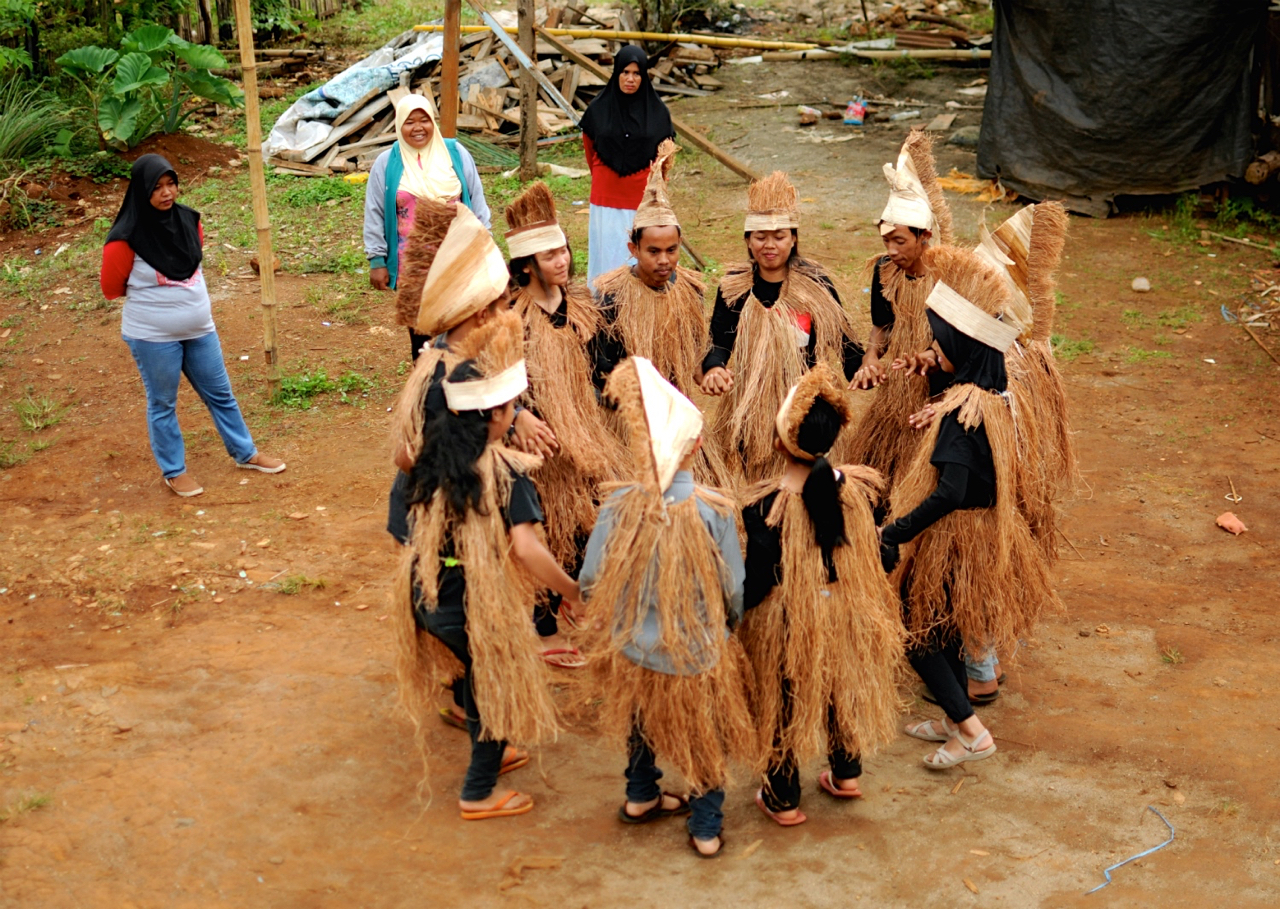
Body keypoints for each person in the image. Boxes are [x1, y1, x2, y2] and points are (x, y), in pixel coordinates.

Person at [391, 308, 583, 821]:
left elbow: (402, 473)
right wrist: (571, 591)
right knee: (494, 684)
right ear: (494, 415)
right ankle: (478, 792)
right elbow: (526, 548)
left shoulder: (431, 457)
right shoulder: (505, 471)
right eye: (512, 407)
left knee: (476, 674)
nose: (515, 414)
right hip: (468, 601)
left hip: (424, 593)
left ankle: (488, 746)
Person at [579, 357, 754, 858]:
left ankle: (641, 795)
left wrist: (606, 615)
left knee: (640, 719)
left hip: (635, 647)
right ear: (695, 446)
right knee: (705, 734)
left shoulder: (617, 506)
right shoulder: (714, 510)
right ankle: (705, 826)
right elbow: (734, 586)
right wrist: (730, 626)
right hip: (698, 652)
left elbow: (590, 578)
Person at [879, 282, 1057, 769]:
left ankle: (972, 733)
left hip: (960, 537)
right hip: (987, 531)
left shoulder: (962, 415)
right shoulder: (998, 397)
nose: (934, 350)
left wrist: (895, 531)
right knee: (950, 628)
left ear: (964, 346)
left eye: (941, 342)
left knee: (917, 629)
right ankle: (953, 720)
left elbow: (951, 492)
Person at [385, 198, 529, 730]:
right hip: (434, 515)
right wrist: (467, 465)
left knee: (462, 606)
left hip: (441, 509)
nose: (508, 314)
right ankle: (476, 717)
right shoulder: (445, 375)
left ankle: (467, 696)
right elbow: (406, 455)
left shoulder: (448, 357)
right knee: (466, 611)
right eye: (501, 305)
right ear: (478, 314)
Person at [741, 364, 903, 826]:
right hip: (843, 609)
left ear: (780, 443)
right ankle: (846, 774)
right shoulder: (855, 491)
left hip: (787, 621)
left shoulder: (764, 507)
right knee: (840, 687)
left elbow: (758, 580)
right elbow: (881, 553)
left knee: (782, 701)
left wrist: (735, 613)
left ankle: (783, 798)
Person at [100, 154, 285, 498]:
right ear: (141, 191)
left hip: (200, 329)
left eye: (171, 184)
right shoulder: (123, 239)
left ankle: (246, 452)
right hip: (153, 336)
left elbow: (193, 261)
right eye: (157, 187)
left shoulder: (189, 220)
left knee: (221, 394)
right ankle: (174, 471)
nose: (167, 193)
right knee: (163, 403)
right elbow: (111, 288)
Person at [504, 181, 628, 667]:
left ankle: (574, 598)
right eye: (549, 255)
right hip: (537, 444)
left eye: (564, 251)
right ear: (526, 266)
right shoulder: (510, 318)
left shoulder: (584, 307)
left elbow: (607, 365)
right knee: (544, 523)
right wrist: (519, 415)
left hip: (586, 436)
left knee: (587, 518)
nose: (562, 261)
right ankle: (542, 612)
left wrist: (619, 393)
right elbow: (497, 379)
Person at [700, 171, 864, 483]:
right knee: (762, 483)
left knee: (807, 486)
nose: (769, 245)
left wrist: (863, 370)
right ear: (748, 240)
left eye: (779, 236)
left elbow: (847, 346)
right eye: (760, 237)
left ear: (794, 238)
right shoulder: (735, 287)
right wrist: (714, 368)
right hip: (754, 407)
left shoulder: (816, 284)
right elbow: (719, 343)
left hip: (805, 405)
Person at [363, 93, 491, 359]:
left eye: (424, 120)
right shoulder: (387, 162)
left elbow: (477, 200)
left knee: (462, 329)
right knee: (422, 337)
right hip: (413, 265)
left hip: (457, 257)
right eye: (409, 122)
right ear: (399, 125)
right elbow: (374, 211)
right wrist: (377, 259)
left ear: (433, 122)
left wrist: (486, 247)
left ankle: (458, 379)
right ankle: (425, 381)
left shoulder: (455, 154)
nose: (418, 128)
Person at [580, 45, 675, 289]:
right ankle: (604, 301)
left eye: (636, 73)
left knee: (639, 254)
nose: (630, 79)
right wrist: (605, 176)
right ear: (616, 73)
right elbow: (590, 149)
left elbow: (664, 157)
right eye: (625, 72)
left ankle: (640, 303)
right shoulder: (598, 109)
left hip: (641, 198)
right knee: (606, 253)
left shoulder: (658, 113)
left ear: (644, 76)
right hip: (605, 196)